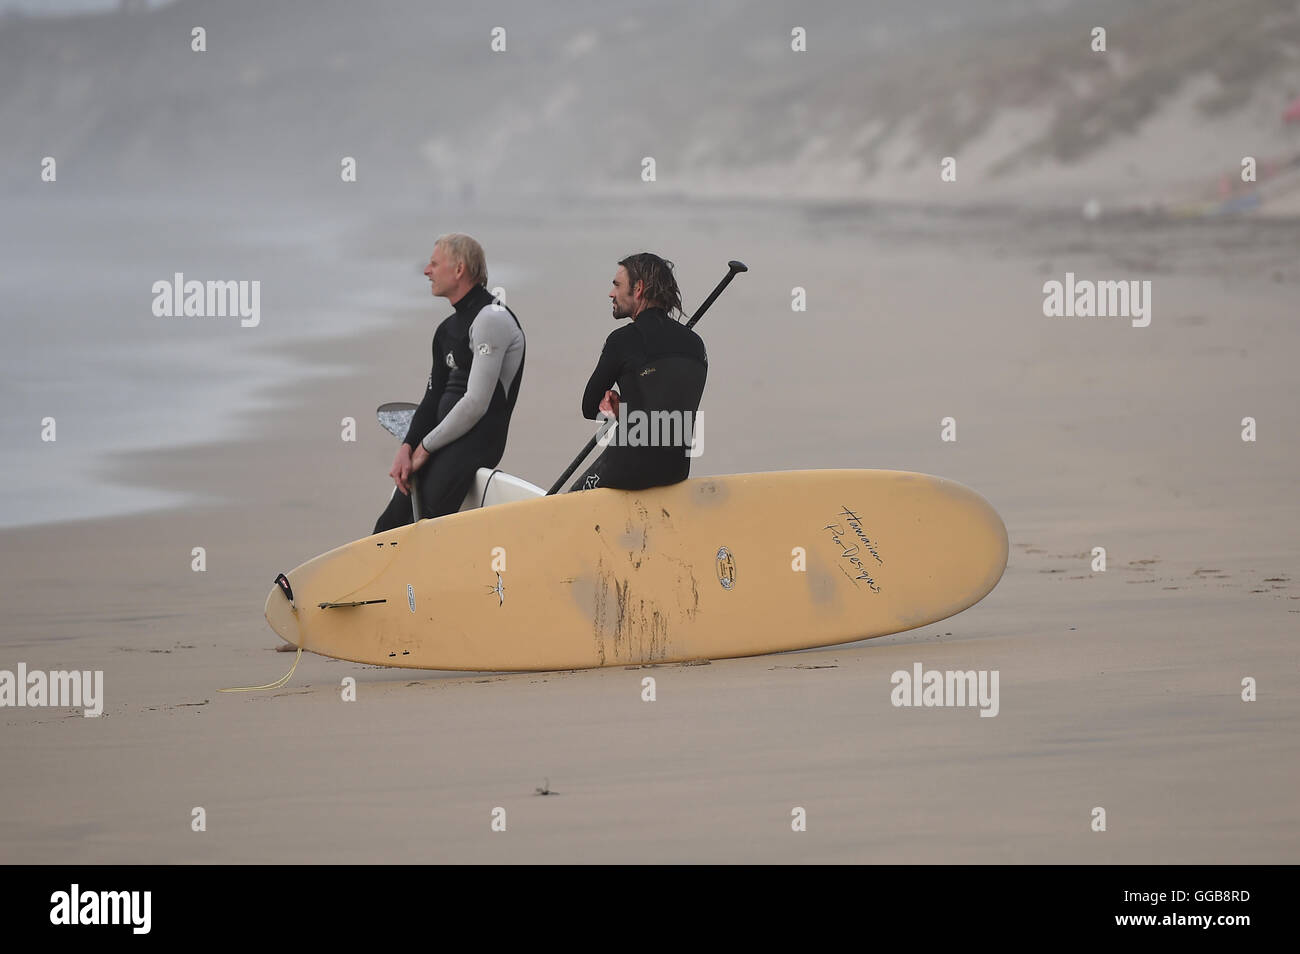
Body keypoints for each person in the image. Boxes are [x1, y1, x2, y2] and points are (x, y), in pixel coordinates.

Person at [373, 234, 525, 533]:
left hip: (474, 443)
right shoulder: (446, 330)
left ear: (459, 269)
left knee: (425, 522)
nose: (426, 271)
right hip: (441, 442)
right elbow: (432, 399)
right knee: (388, 526)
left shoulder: (491, 319)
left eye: (434, 263)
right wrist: (407, 447)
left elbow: (476, 403)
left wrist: (424, 448)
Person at [570, 252, 707, 493]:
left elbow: (589, 406)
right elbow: (665, 414)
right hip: (675, 473)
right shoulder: (696, 346)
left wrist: (615, 406)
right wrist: (624, 409)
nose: (611, 293)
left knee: (569, 500)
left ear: (639, 288)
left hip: (628, 473)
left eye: (617, 285)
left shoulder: (622, 340)